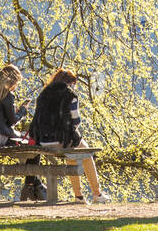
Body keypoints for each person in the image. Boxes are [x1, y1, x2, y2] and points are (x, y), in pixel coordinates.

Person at [28, 69, 109, 203]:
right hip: (62, 139)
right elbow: (76, 121)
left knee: (73, 154)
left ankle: (79, 196)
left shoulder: (43, 94)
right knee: (86, 153)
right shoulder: (70, 94)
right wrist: (68, 130)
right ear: (71, 83)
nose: (74, 86)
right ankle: (97, 193)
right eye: (74, 83)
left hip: (43, 141)